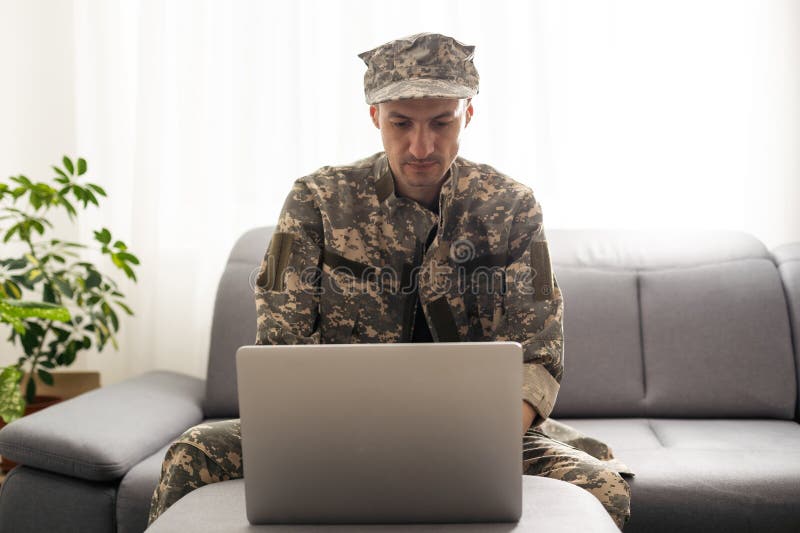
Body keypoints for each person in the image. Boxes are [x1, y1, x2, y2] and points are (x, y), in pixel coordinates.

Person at [148, 33, 632, 529]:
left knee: (601, 487)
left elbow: (540, 350)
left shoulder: (512, 207)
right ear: (376, 117)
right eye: (401, 123)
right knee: (195, 451)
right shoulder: (314, 201)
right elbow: (280, 347)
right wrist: (335, 440)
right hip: (329, 433)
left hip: (482, 436)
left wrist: (483, 449)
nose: (421, 146)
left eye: (441, 123)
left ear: (467, 115)